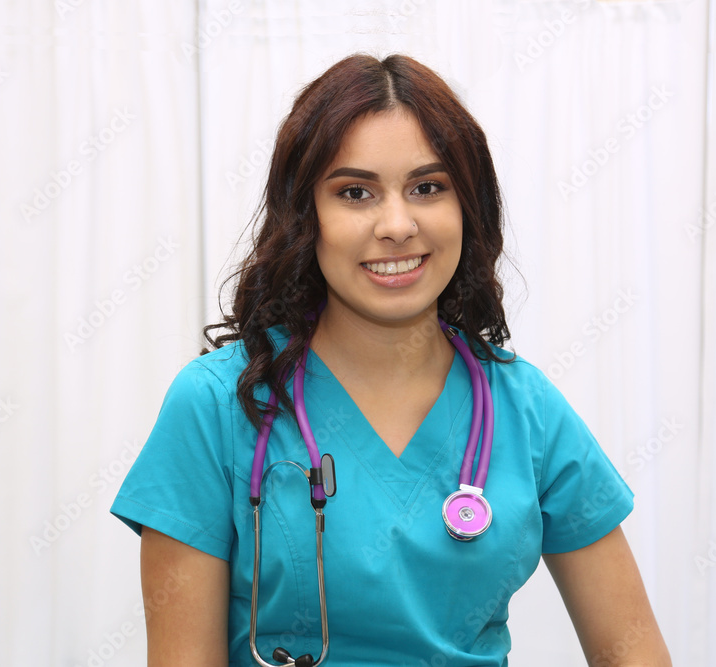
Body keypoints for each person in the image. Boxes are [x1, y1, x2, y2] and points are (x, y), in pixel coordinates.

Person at [110, 53, 671, 666]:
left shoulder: (526, 410)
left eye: (428, 188)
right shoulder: (216, 405)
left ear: (468, 207)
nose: (397, 225)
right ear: (306, 216)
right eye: (356, 192)